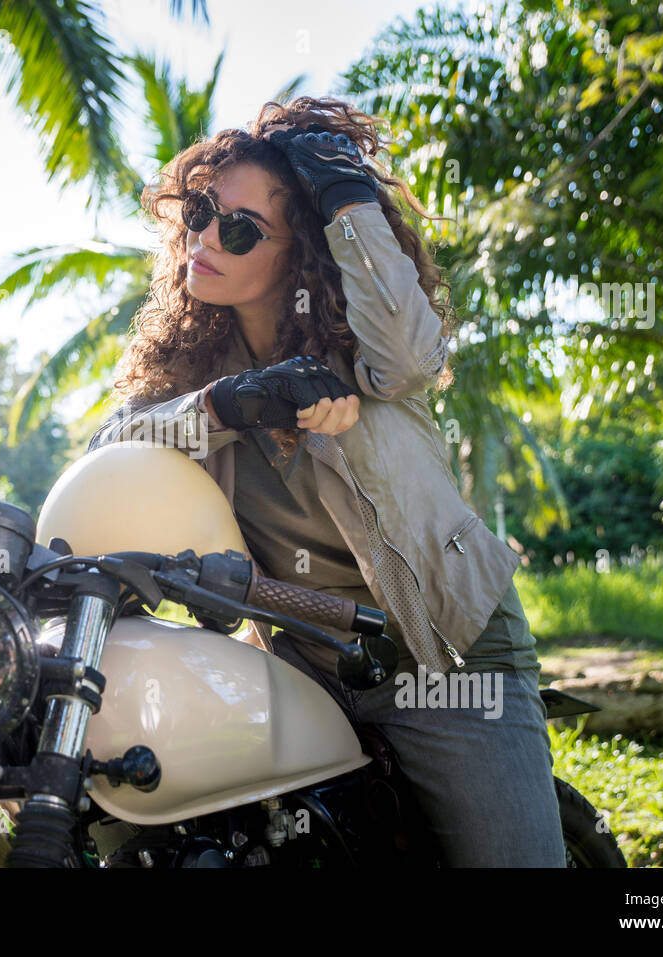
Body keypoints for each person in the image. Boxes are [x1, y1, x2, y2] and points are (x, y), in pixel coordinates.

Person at [86, 95, 564, 867]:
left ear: (301, 248)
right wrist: (229, 403)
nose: (204, 236)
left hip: (443, 661)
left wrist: (346, 195)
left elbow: (413, 355)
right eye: (201, 211)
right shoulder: (194, 370)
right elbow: (108, 448)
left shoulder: (368, 348)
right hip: (304, 662)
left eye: (239, 228)